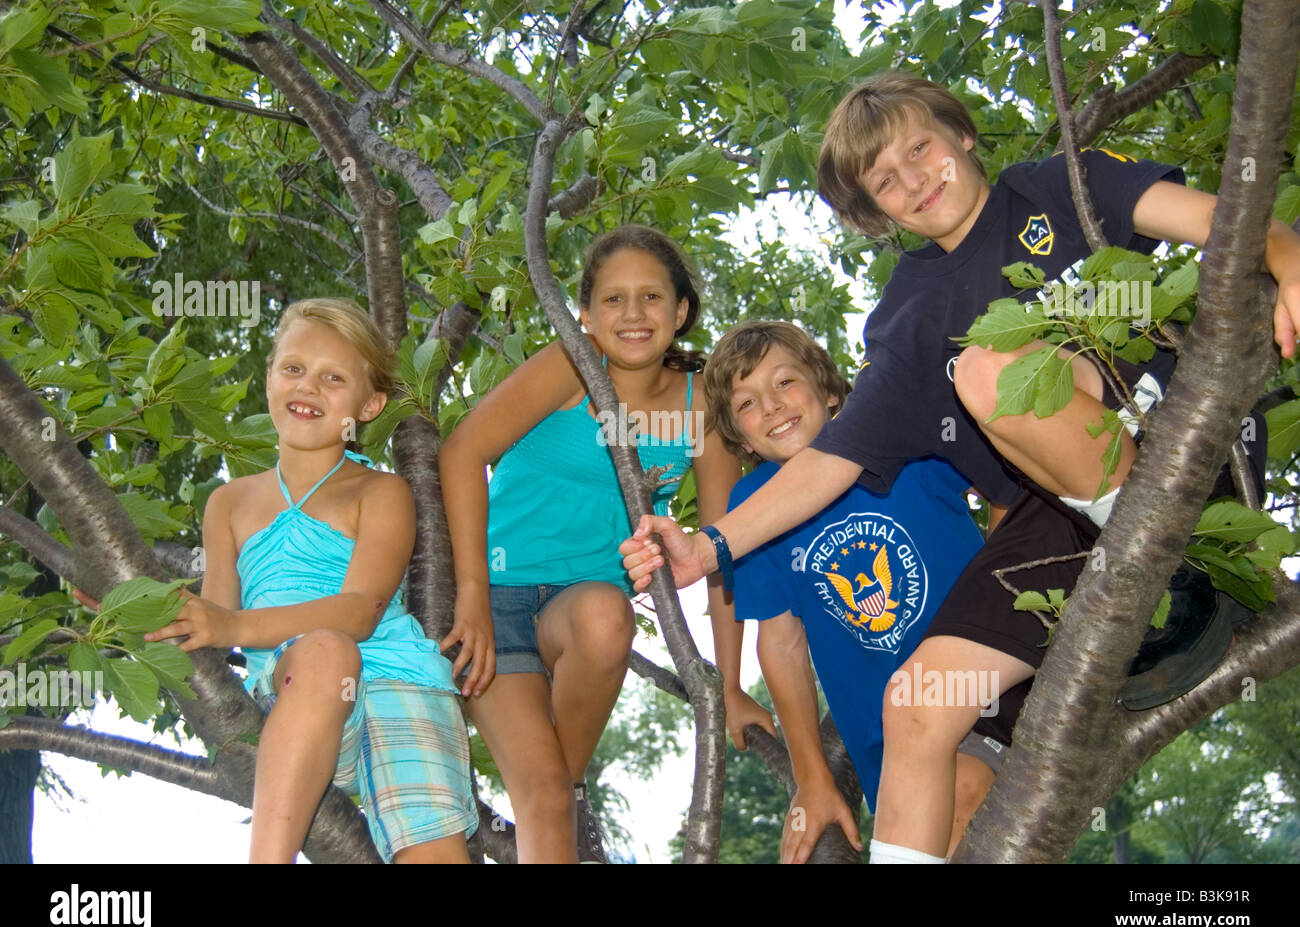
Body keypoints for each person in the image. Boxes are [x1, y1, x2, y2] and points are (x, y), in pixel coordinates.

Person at [622, 73, 1299, 864]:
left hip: (1181, 451)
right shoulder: (906, 321)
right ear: (875, 212)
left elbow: (1227, 223)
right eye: (884, 179)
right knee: (915, 702)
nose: (913, 179)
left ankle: (1169, 563)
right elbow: (833, 461)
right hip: (1071, 519)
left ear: (963, 134)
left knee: (986, 371)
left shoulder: (1059, 187)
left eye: (921, 148)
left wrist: (1288, 259)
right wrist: (708, 548)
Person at [80, 298, 479, 863]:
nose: (308, 387)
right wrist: (133, 608)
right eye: (293, 368)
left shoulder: (380, 492)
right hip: (304, 696)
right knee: (322, 655)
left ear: (369, 404)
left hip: (401, 684)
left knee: (433, 853)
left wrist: (231, 624)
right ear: (268, 376)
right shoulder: (230, 503)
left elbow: (360, 610)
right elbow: (213, 616)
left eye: (333, 378)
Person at [438, 224, 755, 863]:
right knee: (548, 799)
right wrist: (469, 597)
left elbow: (721, 549)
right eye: (612, 299)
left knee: (607, 621)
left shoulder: (701, 410)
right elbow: (463, 450)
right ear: (584, 314)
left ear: (681, 311)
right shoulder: (569, 364)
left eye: (651, 298)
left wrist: (728, 683)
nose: (632, 315)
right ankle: (555, 797)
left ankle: (560, 786)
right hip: (493, 602)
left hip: (584, 617)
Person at [705, 319, 999, 863]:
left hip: (986, 701)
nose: (770, 406)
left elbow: (1008, 481)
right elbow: (783, 644)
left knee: (961, 805)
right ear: (739, 437)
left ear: (831, 392)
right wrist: (813, 779)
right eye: (747, 404)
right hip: (884, 746)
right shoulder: (752, 507)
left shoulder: (900, 444)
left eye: (785, 382)